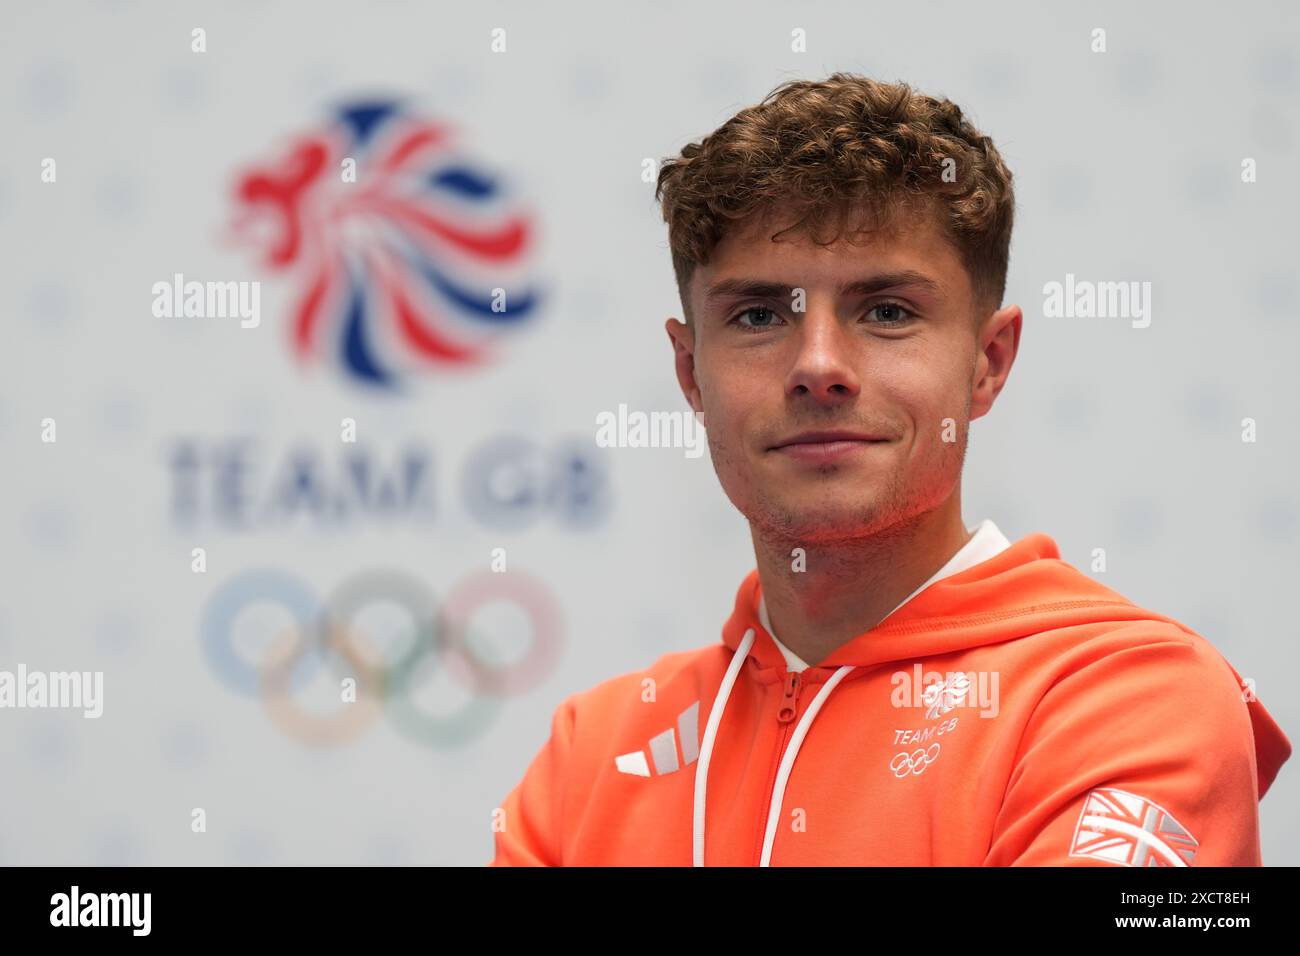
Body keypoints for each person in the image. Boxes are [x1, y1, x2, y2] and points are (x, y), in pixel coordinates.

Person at [489, 73, 1291, 866]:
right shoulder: (593, 755)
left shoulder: (1132, 698)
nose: (820, 367)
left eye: (887, 312)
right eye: (760, 315)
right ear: (691, 372)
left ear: (988, 362)